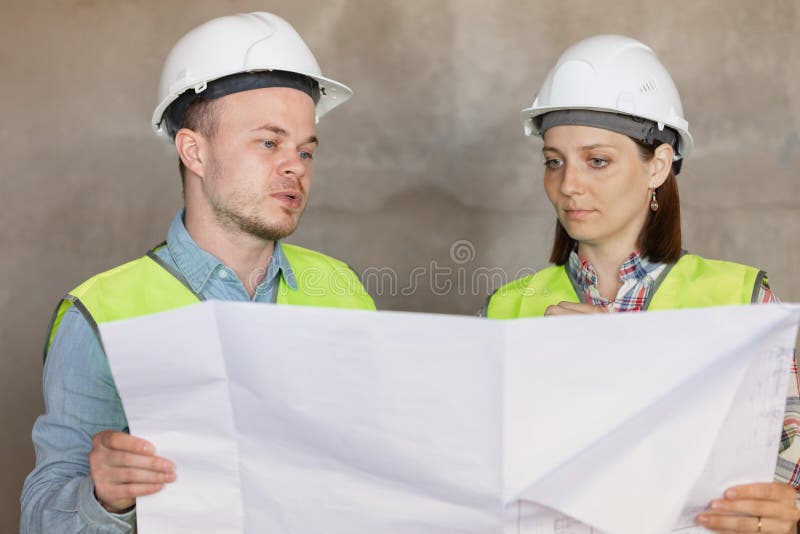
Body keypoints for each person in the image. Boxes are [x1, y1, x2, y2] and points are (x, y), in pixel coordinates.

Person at [21, 12, 375, 533]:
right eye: (269, 143)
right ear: (195, 151)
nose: (295, 166)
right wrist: (106, 500)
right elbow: (42, 517)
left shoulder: (341, 288)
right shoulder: (100, 313)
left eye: (305, 150)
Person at [486, 35, 800, 533]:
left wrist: (789, 516)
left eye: (597, 160)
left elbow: (786, 479)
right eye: (553, 161)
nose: (568, 184)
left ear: (657, 164)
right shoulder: (507, 310)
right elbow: (475, 482)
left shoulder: (743, 302)